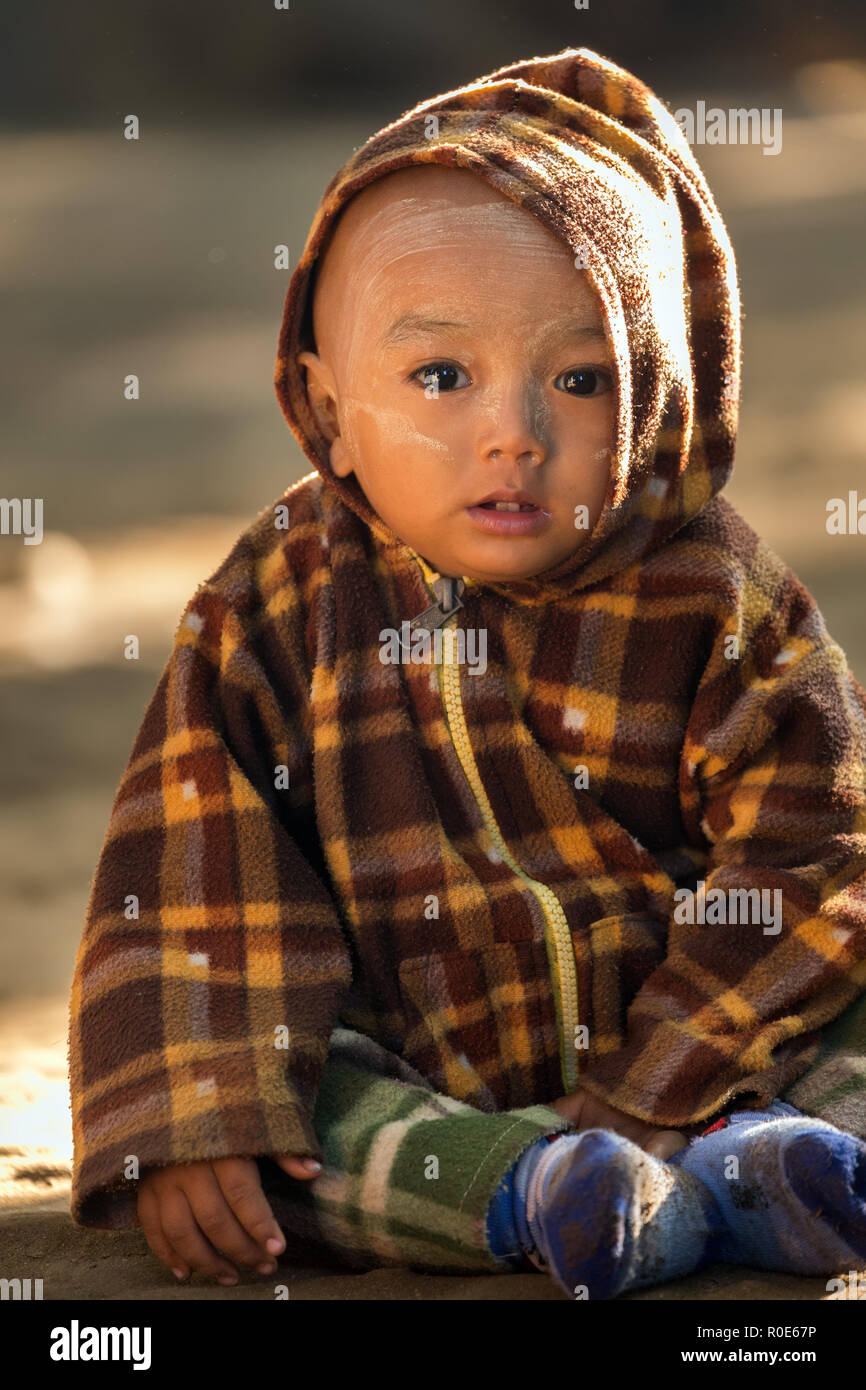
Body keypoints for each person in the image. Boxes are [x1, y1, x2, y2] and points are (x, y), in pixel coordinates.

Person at [67, 47, 866, 1299]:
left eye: (580, 377)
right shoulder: (275, 600)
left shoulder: (712, 594)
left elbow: (812, 853)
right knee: (286, 1121)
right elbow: (192, 869)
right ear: (328, 409)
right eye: (439, 375)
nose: (513, 431)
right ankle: (542, 1194)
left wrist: (658, 1084)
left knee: (848, 997)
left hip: (708, 1049)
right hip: (426, 1070)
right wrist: (198, 1109)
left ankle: (762, 1168)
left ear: (661, 389)